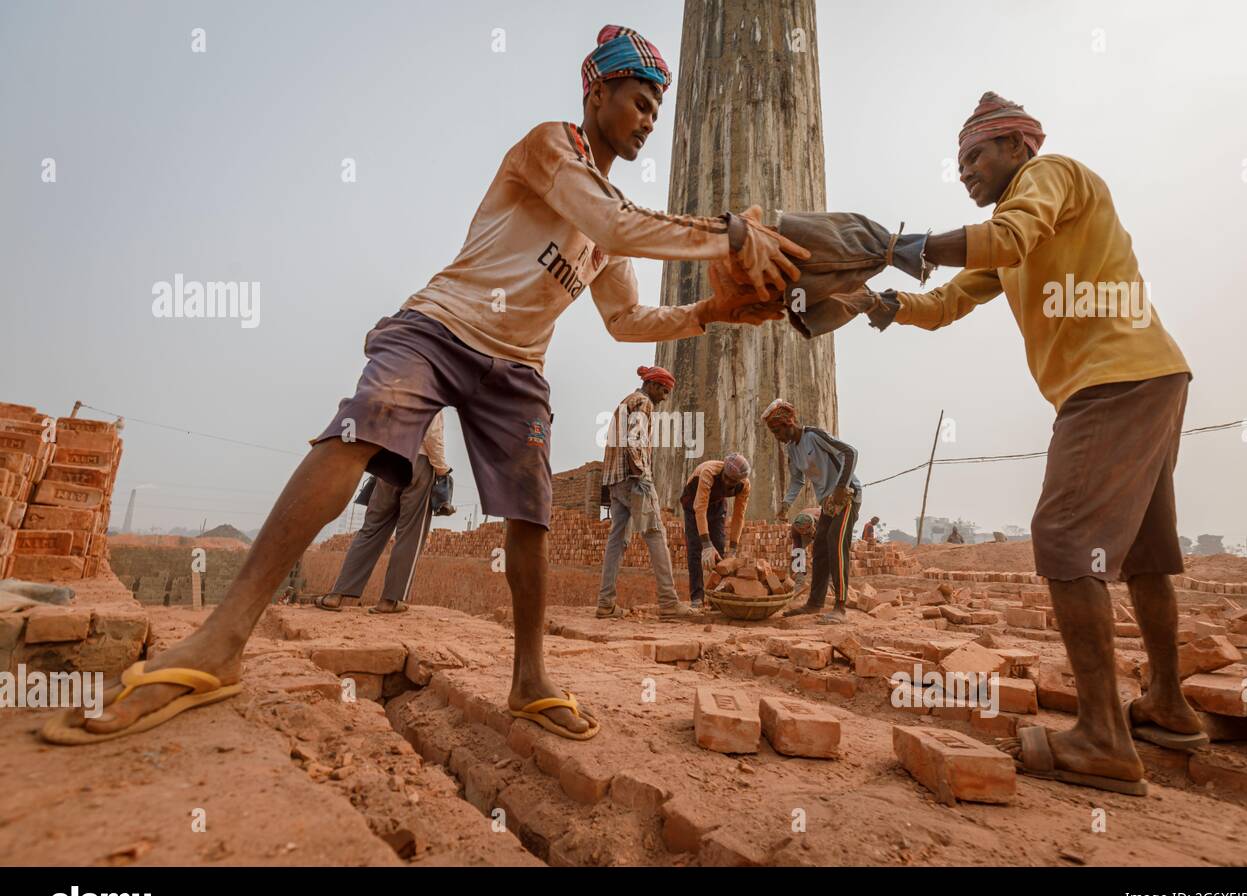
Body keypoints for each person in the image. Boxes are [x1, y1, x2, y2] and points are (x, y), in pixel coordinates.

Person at [48, 24, 809, 747]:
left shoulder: (612, 224)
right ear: (595, 93)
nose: (648, 117)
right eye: (638, 98)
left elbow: (628, 317)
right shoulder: (551, 146)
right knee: (361, 429)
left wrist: (713, 311)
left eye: (656, 106)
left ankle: (531, 677)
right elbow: (615, 224)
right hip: (440, 328)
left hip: (517, 368)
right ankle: (219, 640)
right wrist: (730, 233)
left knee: (531, 517)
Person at [845, 92, 1199, 794]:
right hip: (1151, 372)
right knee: (1146, 553)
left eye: (975, 156)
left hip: (1111, 380)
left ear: (1018, 147)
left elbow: (1001, 240)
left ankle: (1103, 739)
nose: (966, 174)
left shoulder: (1051, 176)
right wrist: (875, 301)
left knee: (1064, 534)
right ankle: (1167, 704)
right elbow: (947, 302)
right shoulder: (1010, 233)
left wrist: (898, 248)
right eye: (959, 164)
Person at [313, 412, 452, 614]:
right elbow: (433, 436)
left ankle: (336, 595)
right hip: (419, 462)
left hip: (389, 460)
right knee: (410, 534)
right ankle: (390, 601)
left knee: (371, 529)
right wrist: (441, 471)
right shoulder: (431, 391)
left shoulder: (391, 387)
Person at [596, 365, 696, 620]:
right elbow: (634, 440)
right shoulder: (643, 403)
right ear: (652, 385)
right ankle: (669, 602)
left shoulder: (625, 401)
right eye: (663, 390)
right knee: (655, 534)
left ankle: (605, 603)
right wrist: (641, 475)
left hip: (614, 482)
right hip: (633, 480)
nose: (664, 397)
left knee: (617, 541)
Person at [764, 399, 861, 624]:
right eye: (773, 432)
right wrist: (786, 504)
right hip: (827, 503)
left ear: (789, 423)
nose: (777, 437)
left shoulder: (814, 436)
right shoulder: (792, 450)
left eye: (777, 431)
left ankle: (840, 606)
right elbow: (797, 481)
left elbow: (851, 452)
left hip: (847, 497)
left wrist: (840, 487)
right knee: (819, 549)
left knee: (836, 544)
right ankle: (814, 603)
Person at [680, 454, 751, 607]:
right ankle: (697, 598)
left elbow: (739, 516)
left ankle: (717, 598)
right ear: (723, 470)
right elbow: (700, 509)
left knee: (719, 547)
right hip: (693, 503)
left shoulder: (744, 485)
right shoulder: (708, 472)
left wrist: (733, 547)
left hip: (717, 504)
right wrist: (706, 544)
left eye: (732, 481)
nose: (727, 482)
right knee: (695, 549)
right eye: (725, 477)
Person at [788, 507, 820, 586]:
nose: (803, 532)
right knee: (798, 552)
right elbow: (797, 548)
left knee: (823, 552)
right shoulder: (795, 528)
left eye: (804, 530)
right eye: (801, 530)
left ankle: (828, 579)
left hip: (819, 526)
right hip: (808, 527)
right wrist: (799, 571)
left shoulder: (822, 521)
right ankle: (798, 578)